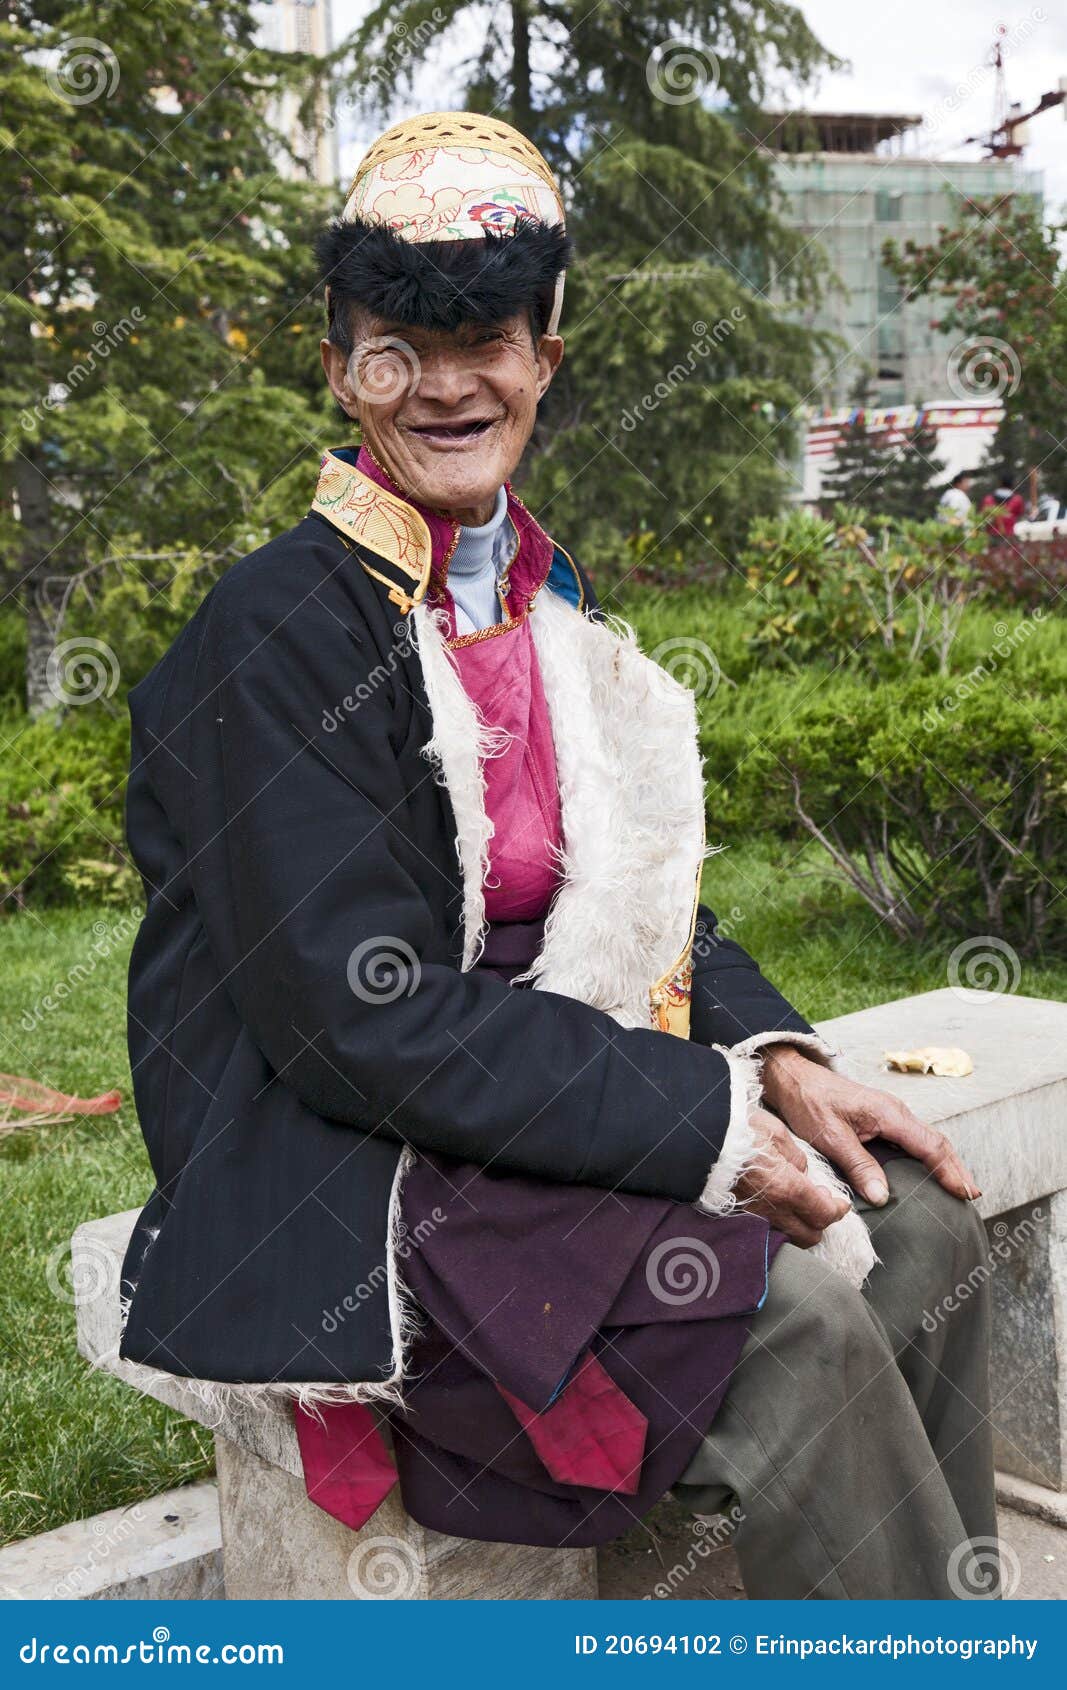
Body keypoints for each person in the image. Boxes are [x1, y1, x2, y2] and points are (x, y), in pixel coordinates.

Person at [119, 112, 995, 1599]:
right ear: (340, 368)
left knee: (921, 1230)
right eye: (400, 343)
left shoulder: (542, 596)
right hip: (358, 1165)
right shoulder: (273, 635)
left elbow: (620, 889)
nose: (450, 382)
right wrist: (711, 1126)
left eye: (492, 339)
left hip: (528, 1096)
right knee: (799, 1329)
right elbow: (361, 1023)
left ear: (546, 359)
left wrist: (775, 1054)